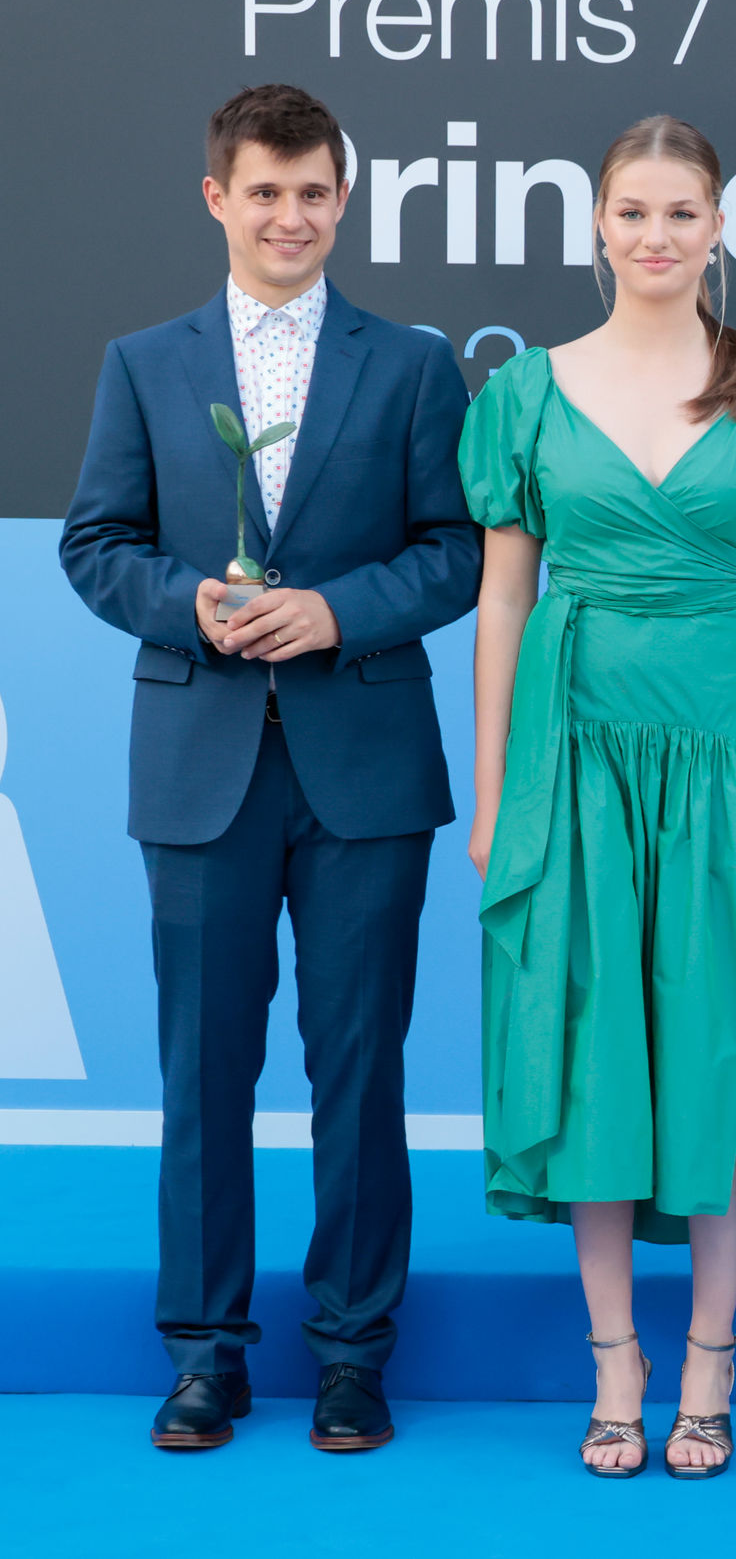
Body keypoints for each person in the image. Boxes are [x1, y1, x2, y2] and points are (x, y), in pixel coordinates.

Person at [60, 84, 481, 1453]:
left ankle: (356, 1348)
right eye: (265, 192)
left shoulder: (412, 362)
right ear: (216, 200)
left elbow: (455, 549)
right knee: (203, 1067)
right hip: (200, 763)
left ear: (342, 199)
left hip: (364, 766)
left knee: (359, 1069)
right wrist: (191, 601)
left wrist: (340, 608)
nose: (291, 215)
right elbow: (96, 542)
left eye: (314, 192)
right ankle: (205, 1351)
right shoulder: (143, 360)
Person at [463, 115, 736, 1480]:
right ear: (597, 227)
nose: (656, 235)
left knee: (713, 1045)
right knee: (597, 1054)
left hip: (730, 750)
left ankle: (712, 1360)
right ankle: (614, 1359)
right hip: (575, 754)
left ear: (720, 230)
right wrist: (494, 787)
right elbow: (502, 598)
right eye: (633, 211)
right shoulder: (522, 395)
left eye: (682, 212)